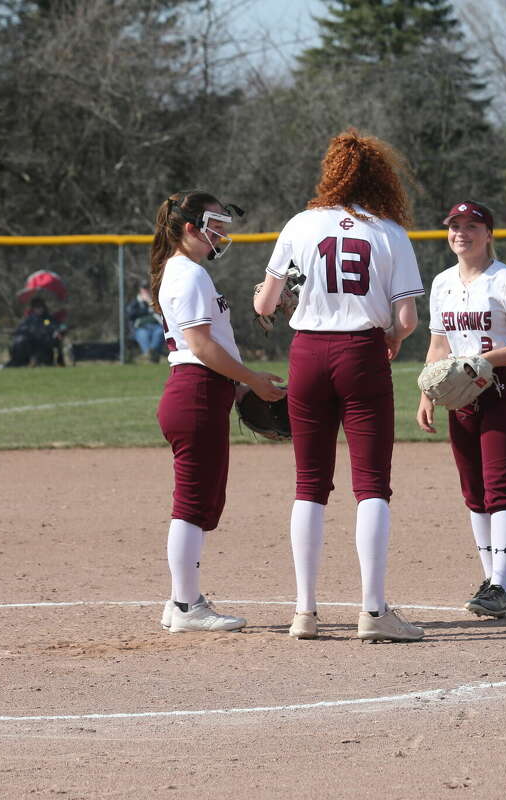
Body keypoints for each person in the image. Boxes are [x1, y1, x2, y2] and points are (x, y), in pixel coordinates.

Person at [254, 128, 426, 642]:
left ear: (330, 173)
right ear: (378, 178)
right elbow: (407, 318)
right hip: (361, 352)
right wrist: (393, 337)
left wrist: (278, 298)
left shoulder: (301, 223)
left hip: (308, 352)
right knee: (371, 484)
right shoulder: (388, 231)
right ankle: (373, 611)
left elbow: (265, 304)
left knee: (309, 484)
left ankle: (304, 612)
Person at [153, 190, 286, 633]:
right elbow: (202, 347)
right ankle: (186, 605)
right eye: (214, 226)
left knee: (199, 501)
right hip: (196, 391)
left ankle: (180, 601)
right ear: (190, 228)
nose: (221, 234)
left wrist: (241, 383)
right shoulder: (188, 273)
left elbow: (211, 346)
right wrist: (251, 380)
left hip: (202, 391)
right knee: (192, 504)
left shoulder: (187, 271)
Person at [417, 201, 506, 618]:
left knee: (500, 488)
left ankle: (500, 587)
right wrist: (427, 392)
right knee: (474, 492)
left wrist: (485, 361)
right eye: (454, 225)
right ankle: (490, 581)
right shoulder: (442, 283)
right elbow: (439, 345)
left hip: (502, 390)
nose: (461, 233)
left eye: (472, 226)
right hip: (460, 396)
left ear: (489, 234)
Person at [4, 297, 63, 368]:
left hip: (43, 341)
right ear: (33, 309)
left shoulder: (46, 319)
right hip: (30, 341)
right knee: (19, 341)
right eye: (37, 307)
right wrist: (15, 332)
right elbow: (22, 328)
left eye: (40, 307)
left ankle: (42, 362)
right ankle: (18, 362)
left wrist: (54, 330)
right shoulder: (30, 319)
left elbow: (51, 326)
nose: (39, 309)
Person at [126, 282, 167, 362]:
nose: (145, 291)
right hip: (141, 327)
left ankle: (151, 354)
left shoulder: (155, 301)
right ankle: (150, 355)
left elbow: (161, 312)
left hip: (156, 326)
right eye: (143, 288)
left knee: (159, 332)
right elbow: (130, 314)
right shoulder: (136, 302)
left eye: (147, 288)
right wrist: (144, 310)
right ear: (140, 290)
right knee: (143, 334)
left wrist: (150, 302)